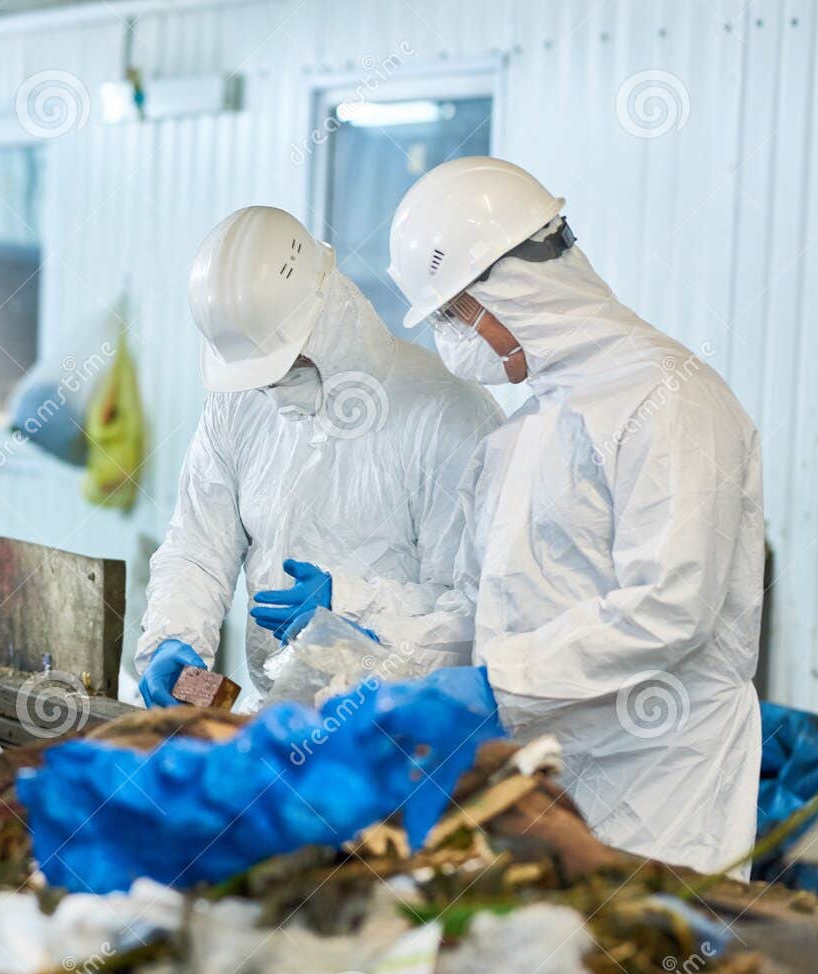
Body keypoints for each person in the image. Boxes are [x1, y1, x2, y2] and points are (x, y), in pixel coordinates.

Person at [386, 157, 765, 875]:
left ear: (509, 288)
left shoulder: (671, 401)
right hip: (545, 784)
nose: (452, 339)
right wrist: (384, 659)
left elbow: (669, 606)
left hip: (659, 794)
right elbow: (482, 603)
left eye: (451, 315)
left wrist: (494, 683)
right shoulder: (526, 432)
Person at [136, 206, 504, 704]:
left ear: (328, 321)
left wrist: (354, 614)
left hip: (399, 724)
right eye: (258, 375)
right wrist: (173, 637)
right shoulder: (239, 400)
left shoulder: (449, 415)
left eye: (286, 367)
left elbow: (475, 613)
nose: (271, 389)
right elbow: (199, 547)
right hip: (275, 717)